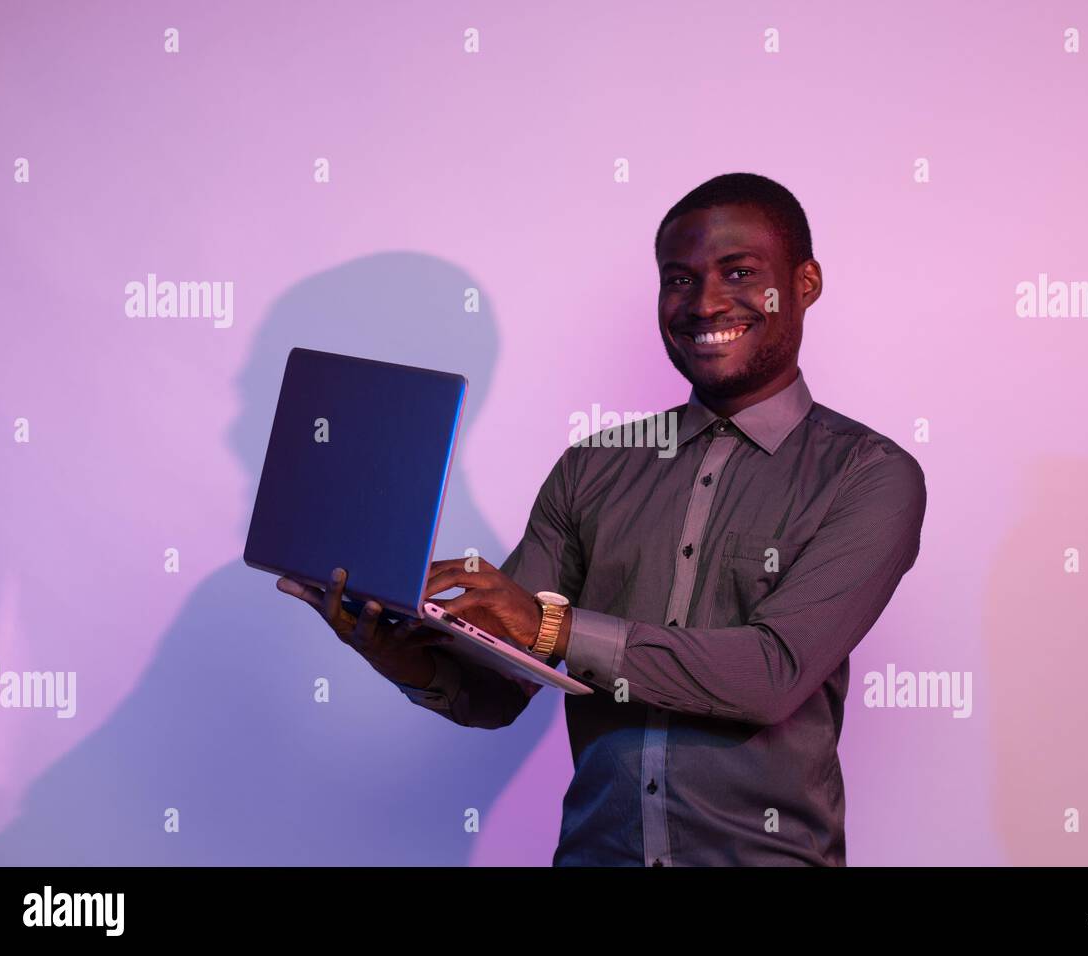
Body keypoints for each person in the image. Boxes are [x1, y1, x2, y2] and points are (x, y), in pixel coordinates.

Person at [277, 172, 927, 866]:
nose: (705, 302)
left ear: (805, 282)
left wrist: (550, 626)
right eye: (678, 279)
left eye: (739, 272)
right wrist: (393, 647)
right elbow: (499, 688)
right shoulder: (593, 468)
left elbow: (771, 674)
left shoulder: (869, 476)